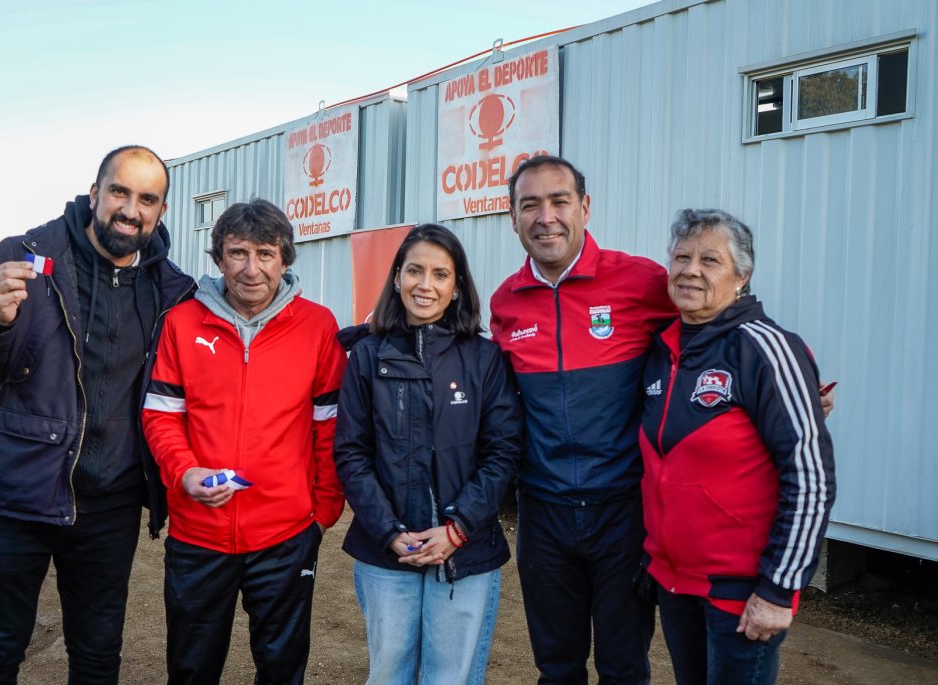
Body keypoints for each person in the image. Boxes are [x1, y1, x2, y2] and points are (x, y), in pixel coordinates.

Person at [0, 145, 196, 683]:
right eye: (120, 192)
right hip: (14, 495)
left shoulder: (171, 290)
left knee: (98, 659)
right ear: (95, 191)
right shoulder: (25, 255)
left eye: (147, 199)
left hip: (110, 507)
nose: (131, 209)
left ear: (161, 211)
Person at [489, 155, 677, 685]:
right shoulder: (506, 303)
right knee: (557, 668)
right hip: (543, 514)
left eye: (559, 201)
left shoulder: (643, 282)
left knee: (624, 667)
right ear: (513, 217)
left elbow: (714, 328)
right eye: (530, 205)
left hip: (623, 510)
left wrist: (785, 384)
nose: (545, 217)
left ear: (585, 208)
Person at [141, 199, 346, 685]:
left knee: (280, 670)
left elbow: (330, 429)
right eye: (237, 253)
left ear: (285, 259)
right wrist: (186, 474)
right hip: (198, 535)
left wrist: (320, 515)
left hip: (286, 536)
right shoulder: (182, 322)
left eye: (265, 254)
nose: (251, 269)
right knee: (191, 670)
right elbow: (162, 417)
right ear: (218, 258)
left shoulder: (319, 327)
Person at [639, 209, 836, 685]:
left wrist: (778, 589)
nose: (690, 269)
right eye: (681, 256)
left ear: (742, 276)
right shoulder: (662, 349)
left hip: (743, 593)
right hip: (675, 582)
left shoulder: (767, 348)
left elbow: (810, 477)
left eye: (711, 260)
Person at [333, 223, 523, 685]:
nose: (426, 284)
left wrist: (457, 529)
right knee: (389, 674)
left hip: (466, 551)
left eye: (441, 274)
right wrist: (390, 532)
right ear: (397, 277)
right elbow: (352, 454)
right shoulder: (366, 356)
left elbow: (503, 451)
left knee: (450, 678)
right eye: (415, 270)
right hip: (387, 554)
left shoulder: (484, 358)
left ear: (457, 286)